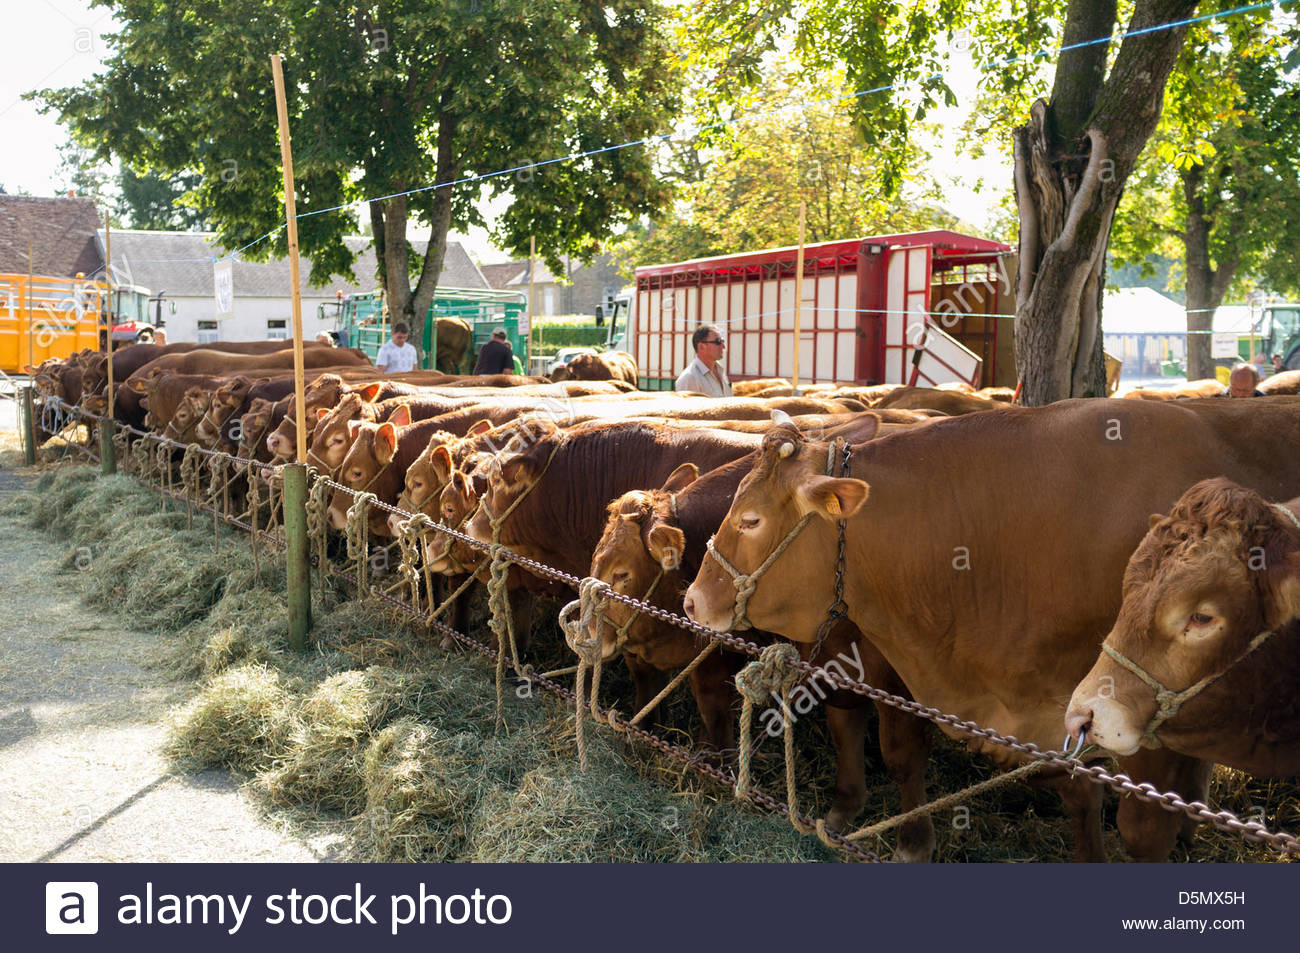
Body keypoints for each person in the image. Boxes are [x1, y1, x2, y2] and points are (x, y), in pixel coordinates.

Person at [675, 324, 732, 397]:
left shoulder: (720, 371)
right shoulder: (689, 378)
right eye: (718, 342)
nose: (723, 347)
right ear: (701, 347)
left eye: (722, 341)